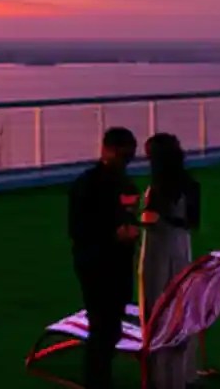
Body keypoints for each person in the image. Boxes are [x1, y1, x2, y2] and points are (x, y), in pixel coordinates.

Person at [69, 127, 141, 389]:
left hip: (119, 265)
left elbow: (130, 214)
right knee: (101, 326)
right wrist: (113, 234)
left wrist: (131, 229)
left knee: (111, 327)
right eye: (123, 157)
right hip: (95, 264)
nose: (126, 163)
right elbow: (78, 229)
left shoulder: (127, 185)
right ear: (107, 150)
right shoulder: (86, 185)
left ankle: (101, 376)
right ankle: (96, 381)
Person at [139, 133, 201, 389]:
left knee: (157, 306)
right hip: (181, 248)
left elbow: (150, 221)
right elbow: (192, 223)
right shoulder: (191, 185)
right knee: (179, 306)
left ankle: (160, 374)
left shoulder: (158, 190)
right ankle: (183, 370)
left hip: (158, 249)